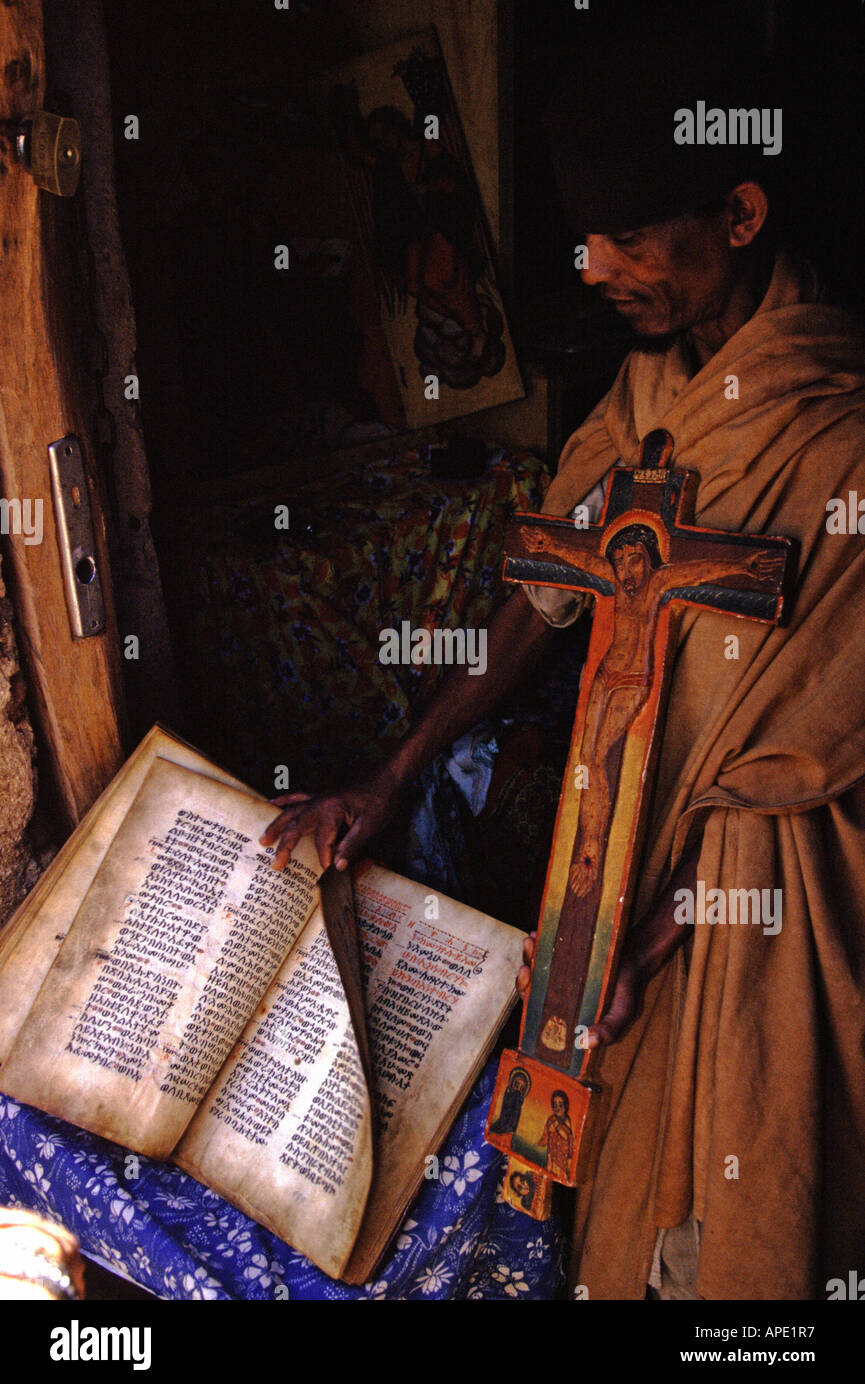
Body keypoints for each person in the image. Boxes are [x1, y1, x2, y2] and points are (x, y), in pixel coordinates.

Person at [261, 77, 865, 1301]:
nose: (595, 269)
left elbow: (810, 745)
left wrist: (654, 922)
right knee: (612, 1188)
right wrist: (391, 773)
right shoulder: (646, 405)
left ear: (740, 213)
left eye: (629, 238)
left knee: (738, 1207)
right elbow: (544, 603)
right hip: (616, 863)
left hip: (761, 894)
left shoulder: (838, 442)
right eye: (586, 241)